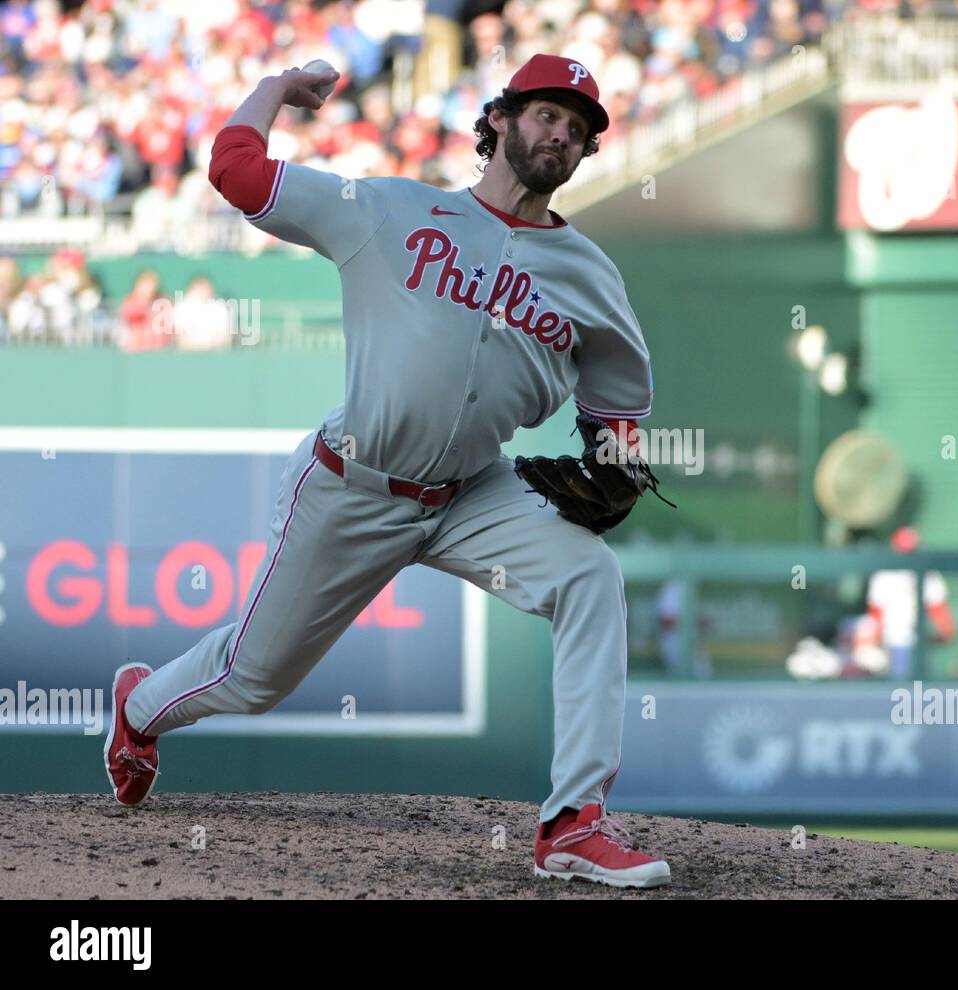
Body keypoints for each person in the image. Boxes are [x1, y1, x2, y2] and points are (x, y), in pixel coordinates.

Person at [102, 54, 669, 889]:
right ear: (502, 120)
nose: (564, 132)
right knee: (253, 679)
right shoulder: (391, 209)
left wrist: (616, 453)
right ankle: (140, 709)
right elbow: (237, 171)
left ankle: (573, 825)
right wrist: (273, 91)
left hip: (475, 493)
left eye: (579, 128)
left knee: (591, 577)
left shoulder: (588, 273)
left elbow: (617, 398)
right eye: (548, 113)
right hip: (354, 489)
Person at [864, 526, 958, 678]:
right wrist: (871, 642)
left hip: (918, 642)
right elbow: (876, 613)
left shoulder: (928, 575)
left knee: (913, 691)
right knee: (900, 689)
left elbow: (939, 610)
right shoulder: (884, 575)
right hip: (893, 642)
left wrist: (946, 631)